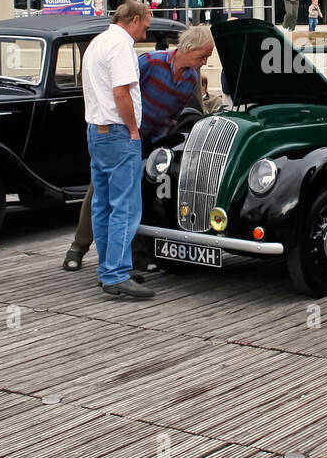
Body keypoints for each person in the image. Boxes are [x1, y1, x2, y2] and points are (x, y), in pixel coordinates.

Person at [64, 24, 216, 272]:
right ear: (189, 48)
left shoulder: (191, 79)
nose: (205, 61)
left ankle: (138, 254)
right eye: (203, 55)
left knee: (140, 196)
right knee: (100, 194)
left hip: (152, 142)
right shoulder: (149, 62)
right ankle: (78, 248)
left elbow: (180, 115)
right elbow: (122, 91)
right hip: (124, 136)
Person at [81, 0, 155, 300]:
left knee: (103, 204)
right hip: (117, 131)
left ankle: (110, 267)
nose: (144, 35)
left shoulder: (97, 42)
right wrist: (134, 130)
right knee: (125, 205)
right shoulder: (121, 46)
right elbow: (121, 91)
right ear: (134, 19)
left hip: (95, 131)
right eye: (145, 27)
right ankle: (115, 273)